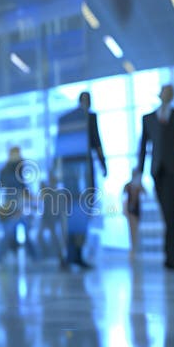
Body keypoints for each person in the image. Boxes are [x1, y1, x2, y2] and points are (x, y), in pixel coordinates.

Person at [137, 84, 174, 270]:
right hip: (157, 171)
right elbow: (143, 147)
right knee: (166, 211)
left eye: (171, 93)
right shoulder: (148, 119)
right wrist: (139, 173)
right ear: (160, 94)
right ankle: (172, 252)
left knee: (171, 209)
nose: (168, 95)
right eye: (165, 92)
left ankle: (171, 255)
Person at [54, 92, 107, 269]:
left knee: (80, 210)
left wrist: (103, 164)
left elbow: (95, 142)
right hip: (75, 172)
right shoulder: (75, 119)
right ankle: (72, 254)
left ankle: (75, 253)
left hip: (78, 172)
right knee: (75, 211)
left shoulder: (79, 118)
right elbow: (95, 143)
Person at [0, 146, 37, 264]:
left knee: (19, 233)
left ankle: (35, 257)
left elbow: (20, 187)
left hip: (16, 203)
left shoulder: (14, 168)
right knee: (10, 233)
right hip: (13, 204)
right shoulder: (10, 170)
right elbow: (15, 187)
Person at [123, 169, 146, 261]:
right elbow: (123, 198)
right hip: (130, 211)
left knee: (136, 231)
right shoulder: (128, 186)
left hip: (137, 211)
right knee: (132, 232)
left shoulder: (139, 186)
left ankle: (135, 250)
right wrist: (124, 210)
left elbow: (145, 193)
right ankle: (133, 250)